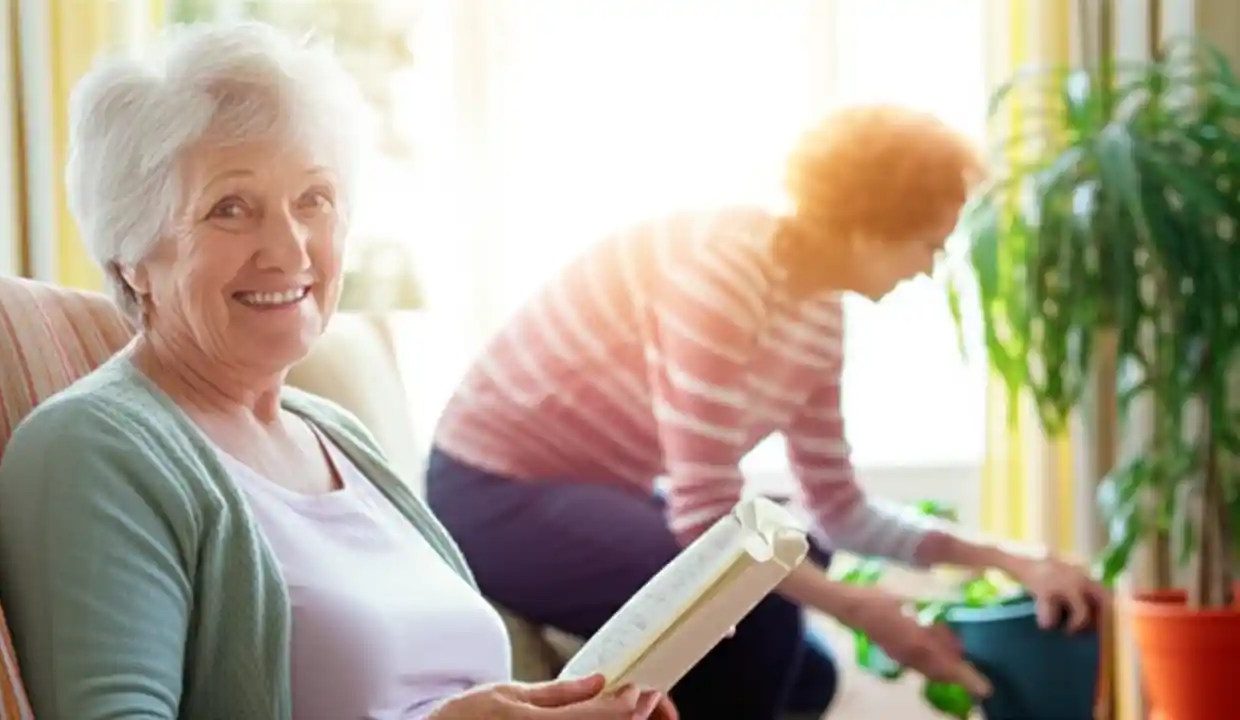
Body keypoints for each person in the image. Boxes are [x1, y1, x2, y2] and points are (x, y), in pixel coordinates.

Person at [0, 21, 673, 720]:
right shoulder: (90, 451)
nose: (288, 248)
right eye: (231, 208)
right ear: (133, 251)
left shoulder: (338, 435)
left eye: (313, 199)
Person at [425, 105, 1109, 718]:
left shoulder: (818, 317)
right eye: (928, 243)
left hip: (608, 492)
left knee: (805, 676)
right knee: (756, 613)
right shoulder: (721, 271)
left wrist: (1015, 559)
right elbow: (704, 517)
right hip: (492, 494)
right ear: (871, 224)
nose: (929, 270)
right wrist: (865, 610)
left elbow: (837, 506)